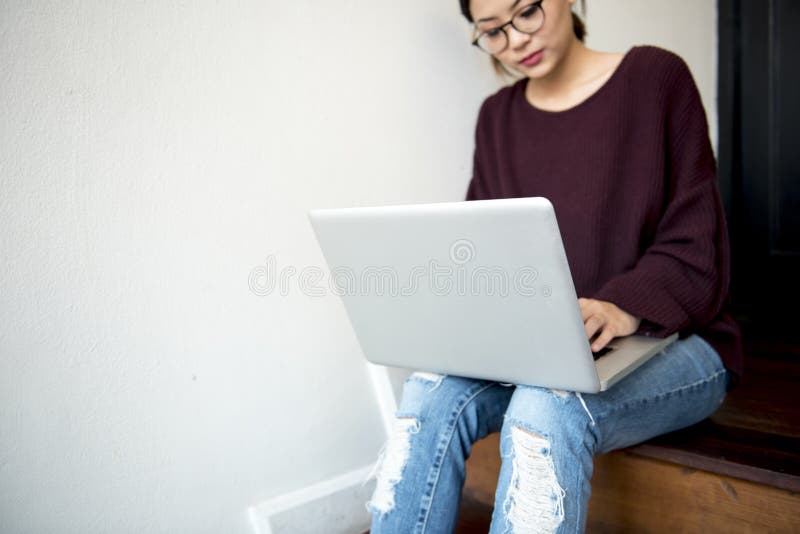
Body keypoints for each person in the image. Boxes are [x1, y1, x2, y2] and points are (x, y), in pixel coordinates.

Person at [366, 0, 744, 532]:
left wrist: (620, 307)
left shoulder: (656, 78)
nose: (515, 40)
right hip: (542, 355)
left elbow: (697, 250)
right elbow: (486, 255)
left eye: (525, 13)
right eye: (492, 31)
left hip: (675, 341)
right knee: (429, 391)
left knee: (549, 406)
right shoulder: (497, 119)